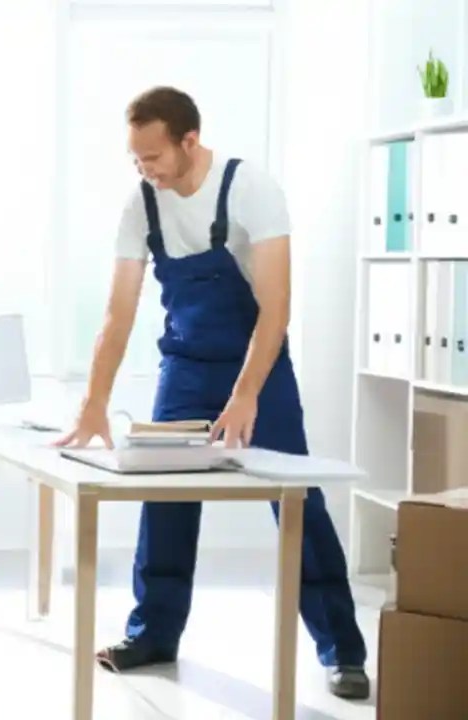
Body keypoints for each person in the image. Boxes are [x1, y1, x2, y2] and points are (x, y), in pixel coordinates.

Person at [55, 86, 370, 699]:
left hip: (259, 362)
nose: (144, 169)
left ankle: (343, 650)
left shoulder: (252, 188)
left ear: (189, 141)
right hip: (186, 366)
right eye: (136, 159)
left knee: (296, 499)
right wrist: (94, 401)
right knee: (165, 496)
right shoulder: (140, 204)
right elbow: (118, 314)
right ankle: (152, 635)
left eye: (153, 157)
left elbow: (275, 307)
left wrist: (248, 392)